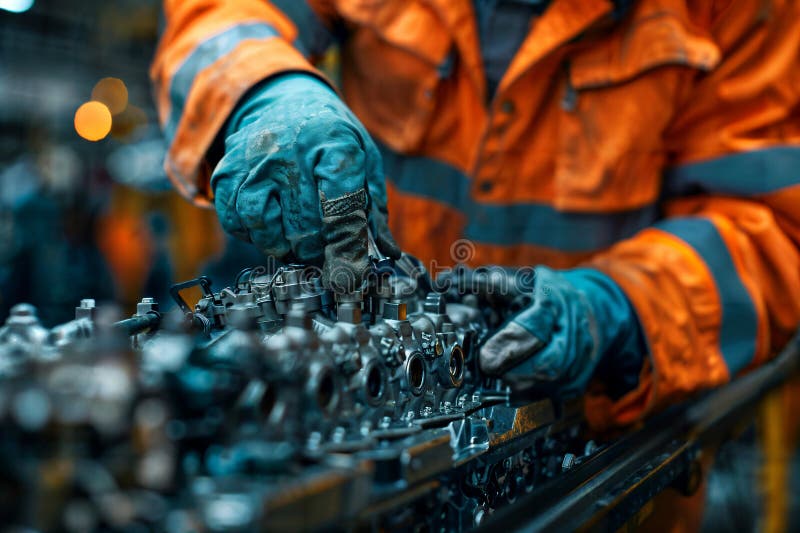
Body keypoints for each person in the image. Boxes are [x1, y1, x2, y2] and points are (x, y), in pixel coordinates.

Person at [152, 0, 800, 506]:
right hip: (358, 432)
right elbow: (223, 17)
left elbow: (766, 223)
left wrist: (622, 311)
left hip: (593, 466)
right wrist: (261, 91)